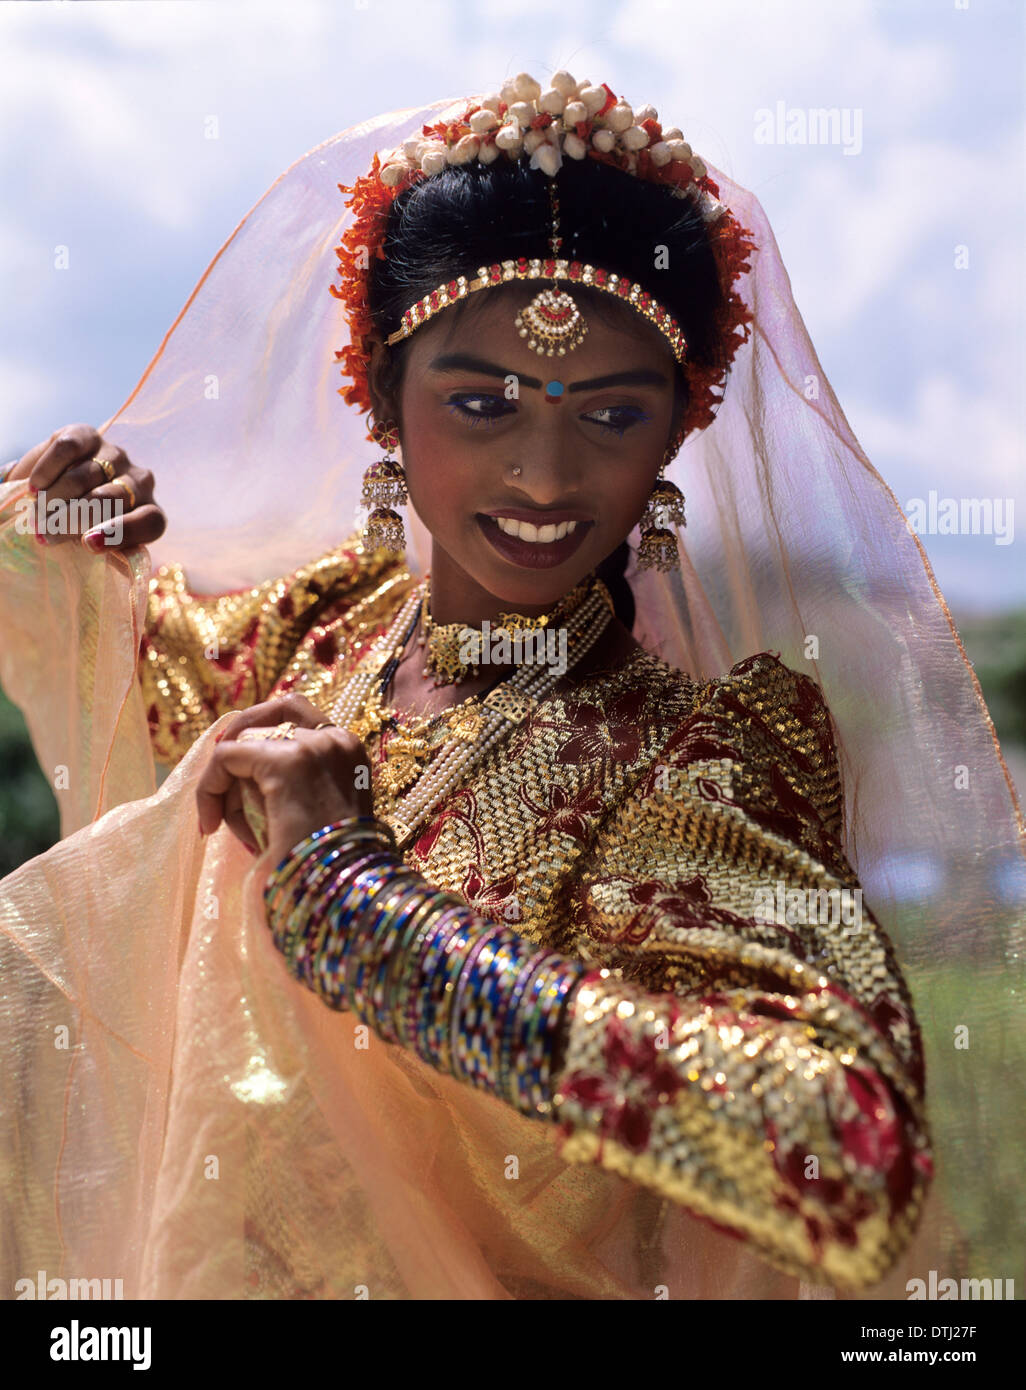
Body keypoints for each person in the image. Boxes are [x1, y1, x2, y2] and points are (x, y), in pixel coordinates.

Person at [0, 72, 1020, 1302]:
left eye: (611, 414)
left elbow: (854, 1160)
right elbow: (115, 668)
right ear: (381, 400)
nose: (542, 474)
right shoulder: (322, 638)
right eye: (479, 403)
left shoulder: (694, 766)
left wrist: (359, 912)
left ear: (674, 436)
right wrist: (41, 531)